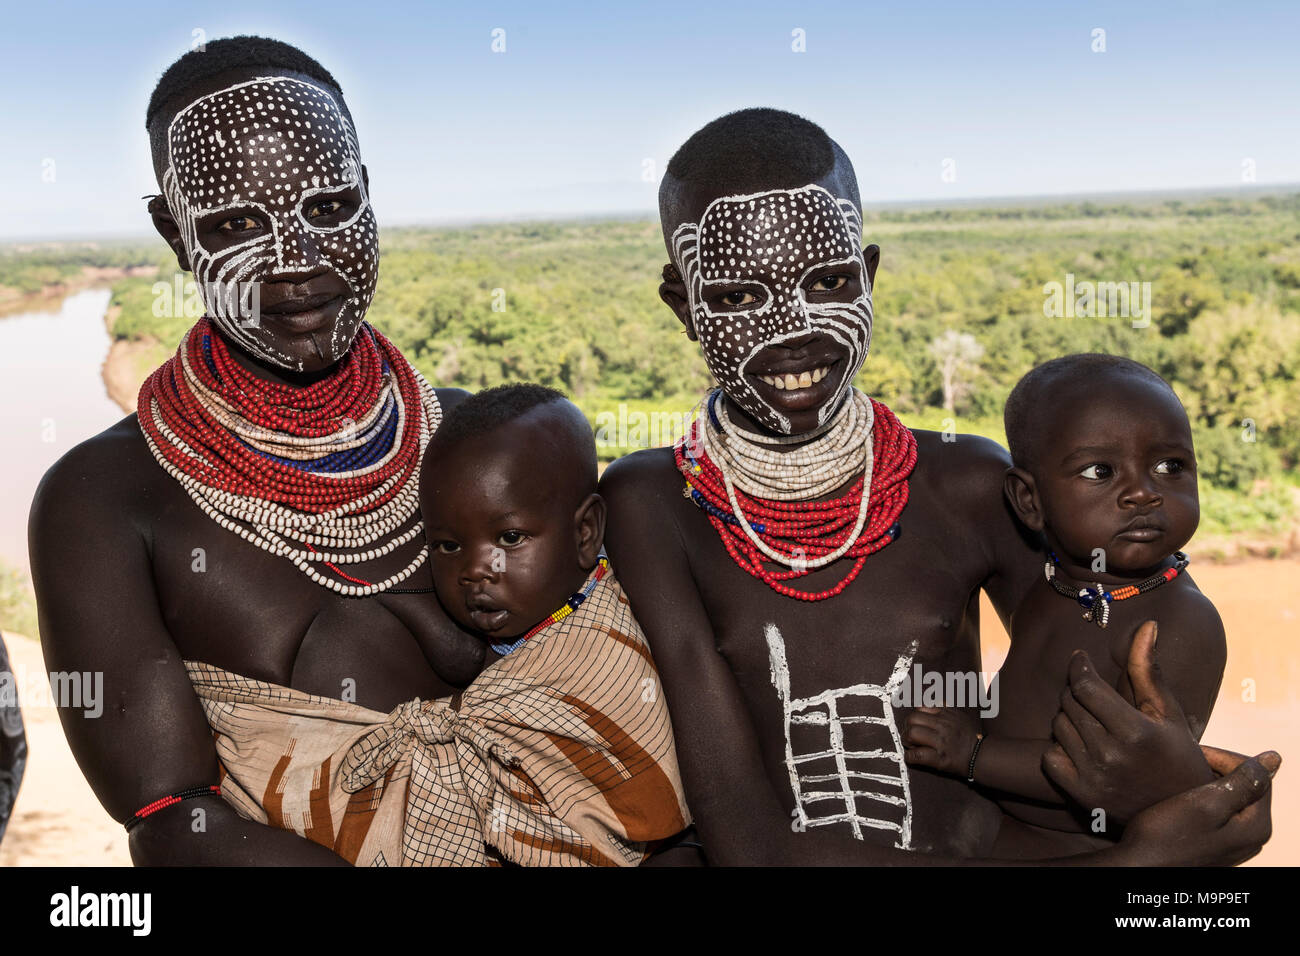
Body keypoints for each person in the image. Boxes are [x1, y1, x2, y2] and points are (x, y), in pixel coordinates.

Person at [599, 108, 1278, 865]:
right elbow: (746, 847)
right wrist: (1140, 864)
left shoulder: (967, 482)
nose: (793, 331)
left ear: (870, 274)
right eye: (735, 299)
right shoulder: (655, 504)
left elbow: (1116, 654)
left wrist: (1175, 782)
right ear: (682, 305)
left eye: (828, 282)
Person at [29, 36, 482, 865]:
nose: (293, 262)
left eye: (329, 208)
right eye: (236, 225)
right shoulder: (103, 499)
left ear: (369, 195)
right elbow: (173, 822)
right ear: (173, 233)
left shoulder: (475, 439)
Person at [181, 384, 692, 865]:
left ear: (586, 533)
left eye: (510, 538)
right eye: (448, 546)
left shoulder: (604, 636)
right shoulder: (514, 641)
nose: (475, 569)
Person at [902, 354, 1231, 857]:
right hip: (997, 826)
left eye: (1170, 466)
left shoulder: (1179, 623)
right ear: (1029, 502)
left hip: (1084, 846)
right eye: (1101, 471)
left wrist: (971, 754)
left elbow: (1111, 769)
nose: (1144, 492)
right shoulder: (1052, 582)